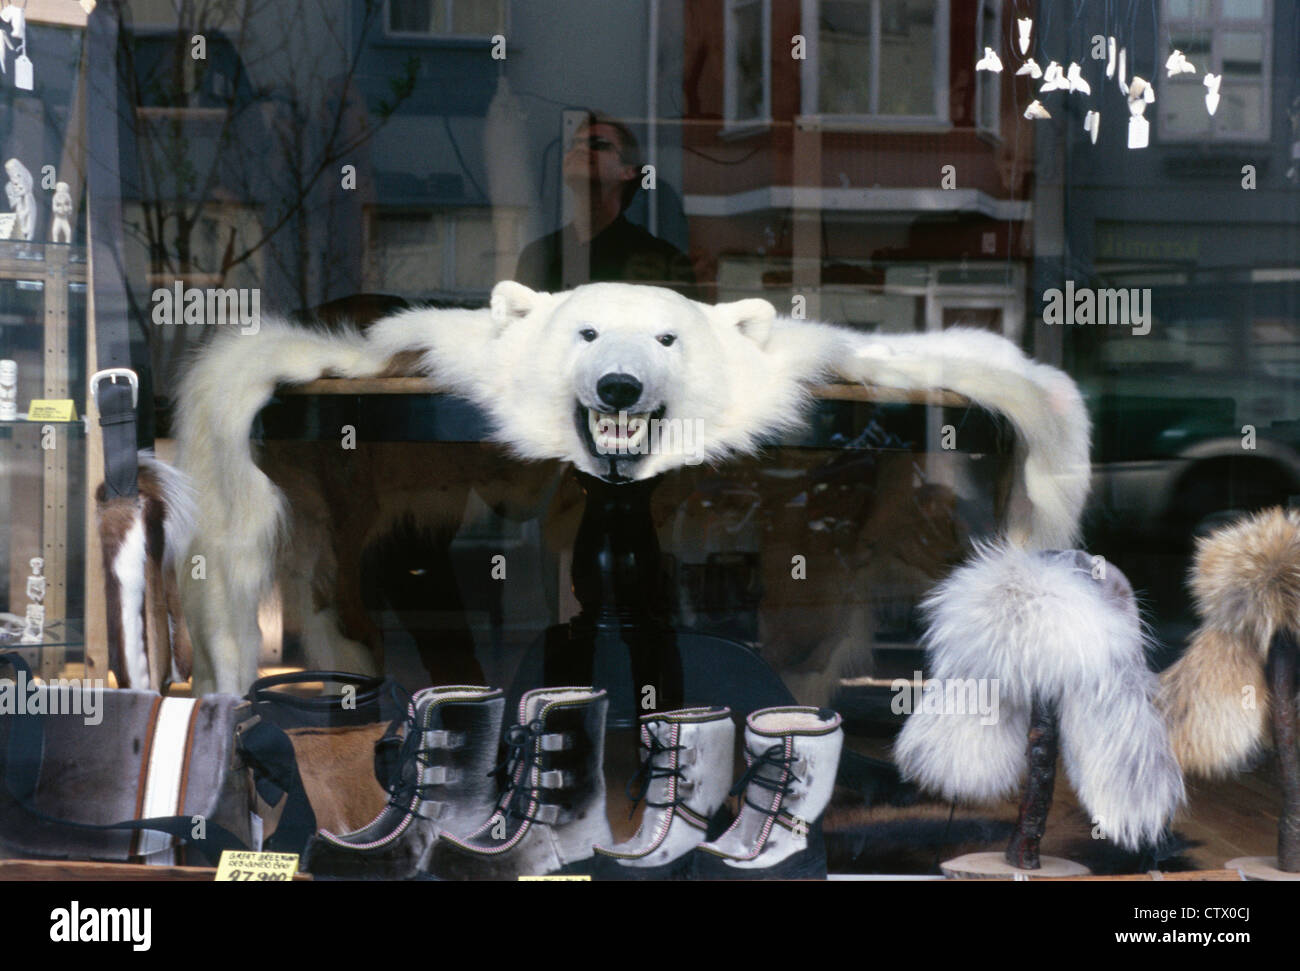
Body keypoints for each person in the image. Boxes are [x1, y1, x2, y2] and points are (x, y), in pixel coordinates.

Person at [514, 112, 695, 294]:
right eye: (572, 145)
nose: (580, 149)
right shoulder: (537, 256)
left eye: (598, 144)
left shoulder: (659, 260)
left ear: (628, 171)